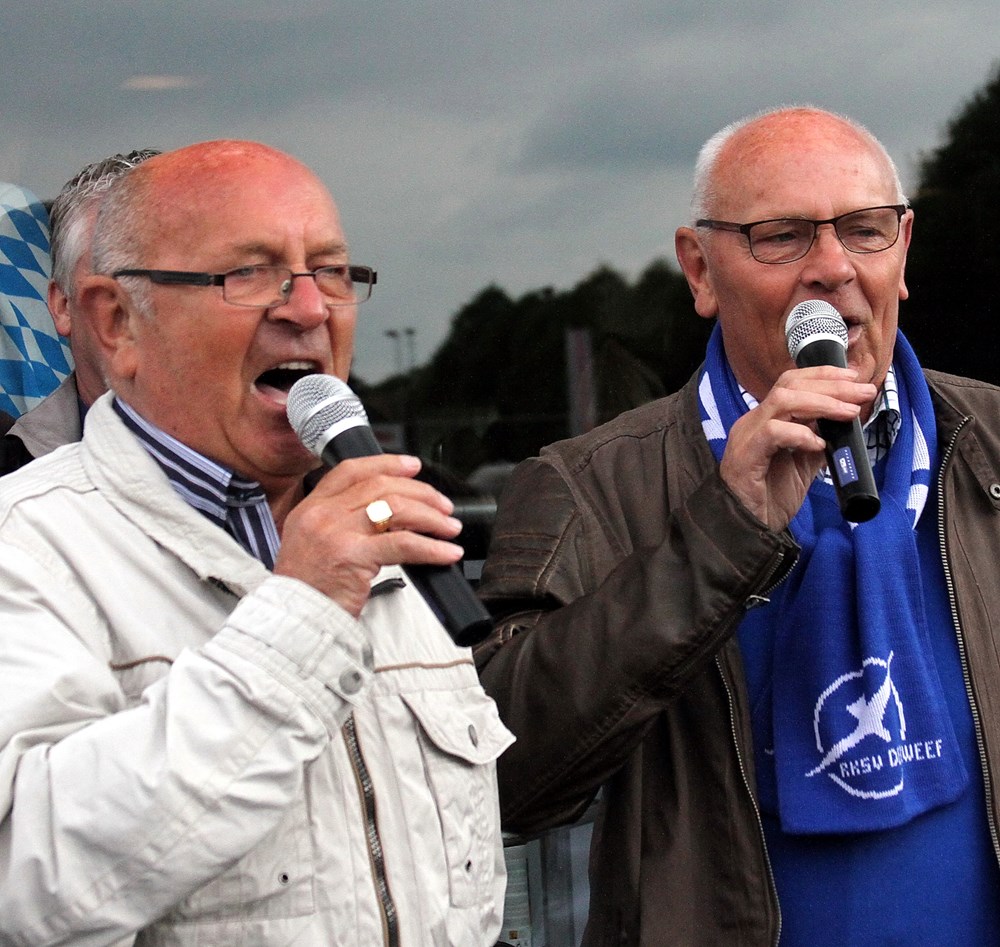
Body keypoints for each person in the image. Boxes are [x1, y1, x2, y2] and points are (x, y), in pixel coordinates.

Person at [476, 105, 1000, 945]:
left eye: (863, 230)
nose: (830, 267)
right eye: (782, 237)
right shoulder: (586, 486)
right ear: (700, 269)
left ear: (903, 250)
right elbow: (503, 775)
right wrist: (724, 529)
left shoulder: (988, 441)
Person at [0, 140, 512, 945]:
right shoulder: (26, 546)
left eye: (333, 273)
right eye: (248, 273)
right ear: (115, 321)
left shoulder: (390, 537)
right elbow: (26, 886)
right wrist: (300, 614)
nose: (309, 309)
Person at [1, 150, 159, 475]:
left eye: (185, 272)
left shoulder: (284, 452)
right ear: (62, 307)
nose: (152, 297)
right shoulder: (11, 481)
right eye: (119, 273)